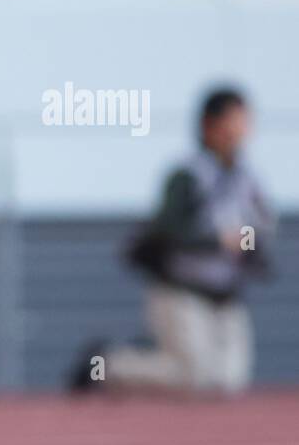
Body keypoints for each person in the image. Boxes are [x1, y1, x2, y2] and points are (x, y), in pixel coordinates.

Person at [70, 87, 276, 397]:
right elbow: (171, 228)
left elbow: (258, 233)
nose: (243, 130)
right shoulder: (189, 175)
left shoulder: (247, 179)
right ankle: (105, 364)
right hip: (181, 290)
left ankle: (146, 355)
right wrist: (217, 240)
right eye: (235, 121)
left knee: (229, 382)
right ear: (210, 124)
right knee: (194, 379)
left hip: (225, 295)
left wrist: (248, 245)